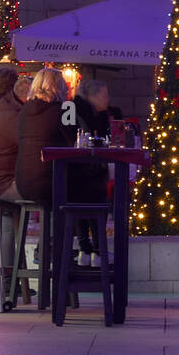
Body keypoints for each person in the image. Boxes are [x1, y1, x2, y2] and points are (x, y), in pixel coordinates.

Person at [14, 68, 75, 208]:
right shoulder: (67, 108)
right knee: (90, 189)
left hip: (24, 184)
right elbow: (75, 143)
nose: (67, 88)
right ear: (58, 87)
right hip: (52, 182)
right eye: (64, 84)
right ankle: (73, 229)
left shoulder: (25, 110)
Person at [70, 79, 113, 266]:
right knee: (95, 200)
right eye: (104, 95)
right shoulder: (76, 110)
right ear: (92, 96)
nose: (108, 100)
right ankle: (94, 249)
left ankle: (91, 250)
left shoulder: (100, 114)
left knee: (92, 199)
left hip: (87, 170)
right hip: (81, 170)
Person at [0, 71, 30, 268]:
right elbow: (29, 145)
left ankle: (9, 276)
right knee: (51, 197)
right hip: (4, 183)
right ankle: (47, 251)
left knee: (8, 222)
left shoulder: (1, 109)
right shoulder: (12, 116)